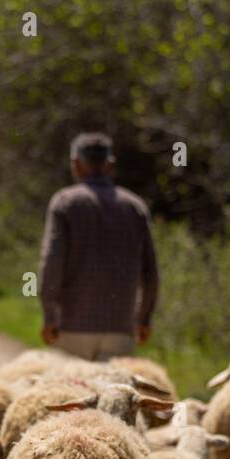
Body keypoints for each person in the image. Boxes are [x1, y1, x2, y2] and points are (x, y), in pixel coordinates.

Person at [38, 132, 159, 360]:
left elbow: (52, 263)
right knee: (114, 393)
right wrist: (144, 318)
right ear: (109, 164)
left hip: (72, 327)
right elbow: (150, 272)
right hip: (121, 327)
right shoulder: (134, 207)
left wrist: (49, 316)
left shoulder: (65, 203)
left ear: (76, 163)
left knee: (71, 392)